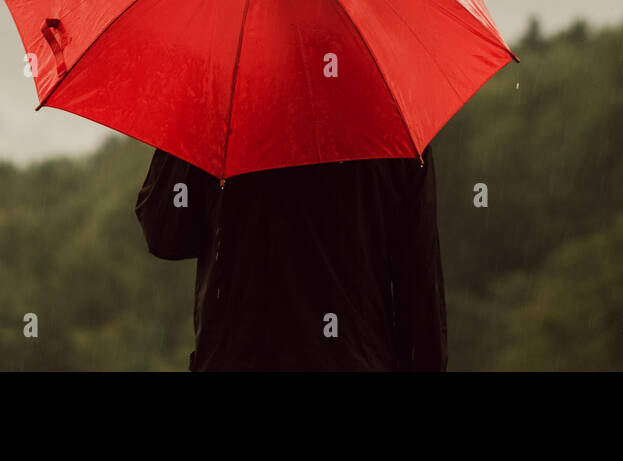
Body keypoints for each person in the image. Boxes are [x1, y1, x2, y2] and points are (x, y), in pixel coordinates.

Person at [134, 145, 447, 371]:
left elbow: (165, 233)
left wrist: (194, 111)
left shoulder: (222, 111)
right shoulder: (396, 130)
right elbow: (420, 290)